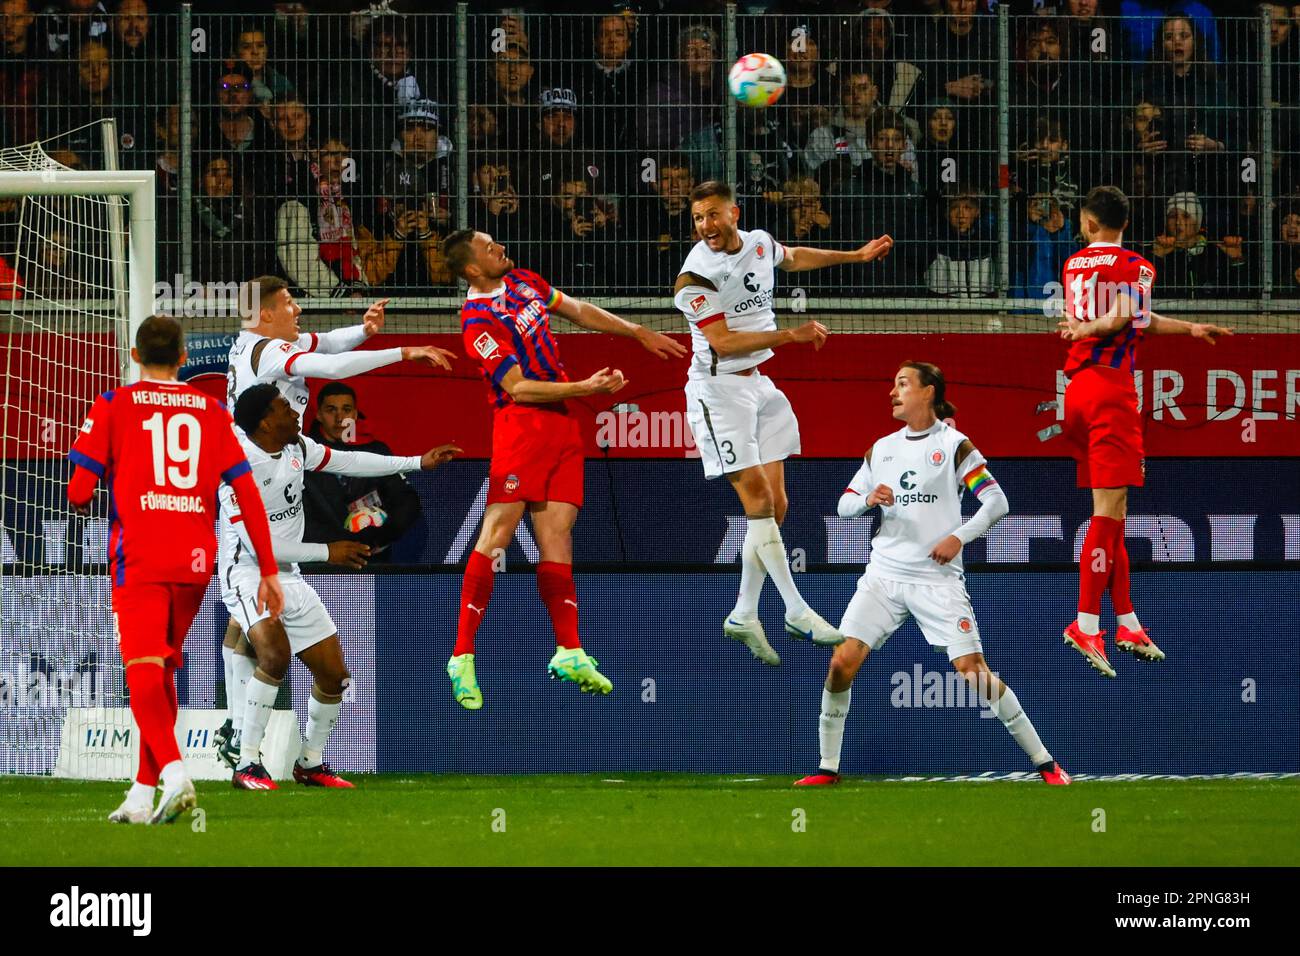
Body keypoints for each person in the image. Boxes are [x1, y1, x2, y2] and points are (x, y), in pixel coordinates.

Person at [439, 228, 686, 710]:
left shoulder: (524, 279)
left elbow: (577, 310)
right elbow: (519, 388)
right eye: (489, 248)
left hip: (561, 428)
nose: (500, 248)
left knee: (558, 538)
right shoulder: (477, 323)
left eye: (497, 243)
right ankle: (462, 654)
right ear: (471, 268)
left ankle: (569, 649)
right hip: (522, 426)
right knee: (497, 534)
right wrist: (586, 388)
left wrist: (636, 331)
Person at [795, 361, 1071, 787]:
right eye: (893, 384)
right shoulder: (881, 448)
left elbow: (997, 502)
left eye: (903, 383)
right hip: (883, 577)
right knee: (840, 664)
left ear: (929, 392)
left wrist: (958, 538)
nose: (893, 391)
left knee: (973, 671)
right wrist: (868, 498)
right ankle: (826, 770)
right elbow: (844, 505)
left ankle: (1047, 764)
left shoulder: (955, 445)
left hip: (936, 580)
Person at [215, 274, 453, 764]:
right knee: (261, 625)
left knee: (254, 627)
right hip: (257, 473)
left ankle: (253, 737)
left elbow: (328, 343)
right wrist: (401, 353)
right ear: (263, 314)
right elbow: (332, 363)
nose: (297, 309)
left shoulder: (256, 346)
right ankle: (240, 742)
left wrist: (364, 331)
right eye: (287, 303)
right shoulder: (272, 355)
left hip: (279, 459)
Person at [65, 315, 284, 823]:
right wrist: (268, 569)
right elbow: (244, 490)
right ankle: (142, 793)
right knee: (160, 668)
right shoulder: (210, 410)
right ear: (184, 358)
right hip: (195, 556)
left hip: (140, 554)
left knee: (141, 668)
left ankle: (174, 772)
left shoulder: (114, 405)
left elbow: (77, 493)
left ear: (135, 356)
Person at [673, 180, 891, 665]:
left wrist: (854, 257)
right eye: (697, 219)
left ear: (734, 212)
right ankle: (794, 609)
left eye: (712, 215)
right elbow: (724, 343)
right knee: (758, 501)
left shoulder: (758, 242)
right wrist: (790, 335)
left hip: (759, 388)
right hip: (719, 391)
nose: (706, 226)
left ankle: (744, 613)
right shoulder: (694, 280)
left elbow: (792, 257)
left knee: (778, 504)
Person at [1057, 185, 1233, 677]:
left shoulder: (1073, 265)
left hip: (1076, 392)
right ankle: (1086, 623)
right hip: (1112, 392)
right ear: (1125, 225)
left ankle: (1127, 620)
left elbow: (1136, 319)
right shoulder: (1138, 265)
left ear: (1088, 224)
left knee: (1113, 512)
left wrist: (1190, 329)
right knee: (1109, 514)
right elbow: (1121, 317)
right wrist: (1092, 330)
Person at [304, 381, 423, 560]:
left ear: (355, 413)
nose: (340, 418)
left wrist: (382, 535)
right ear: (319, 415)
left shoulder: (376, 450)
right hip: (327, 559)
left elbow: (406, 500)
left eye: (346, 410)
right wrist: (341, 542)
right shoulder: (305, 456)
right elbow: (300, 516)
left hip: (375, 557)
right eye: (331, 410)